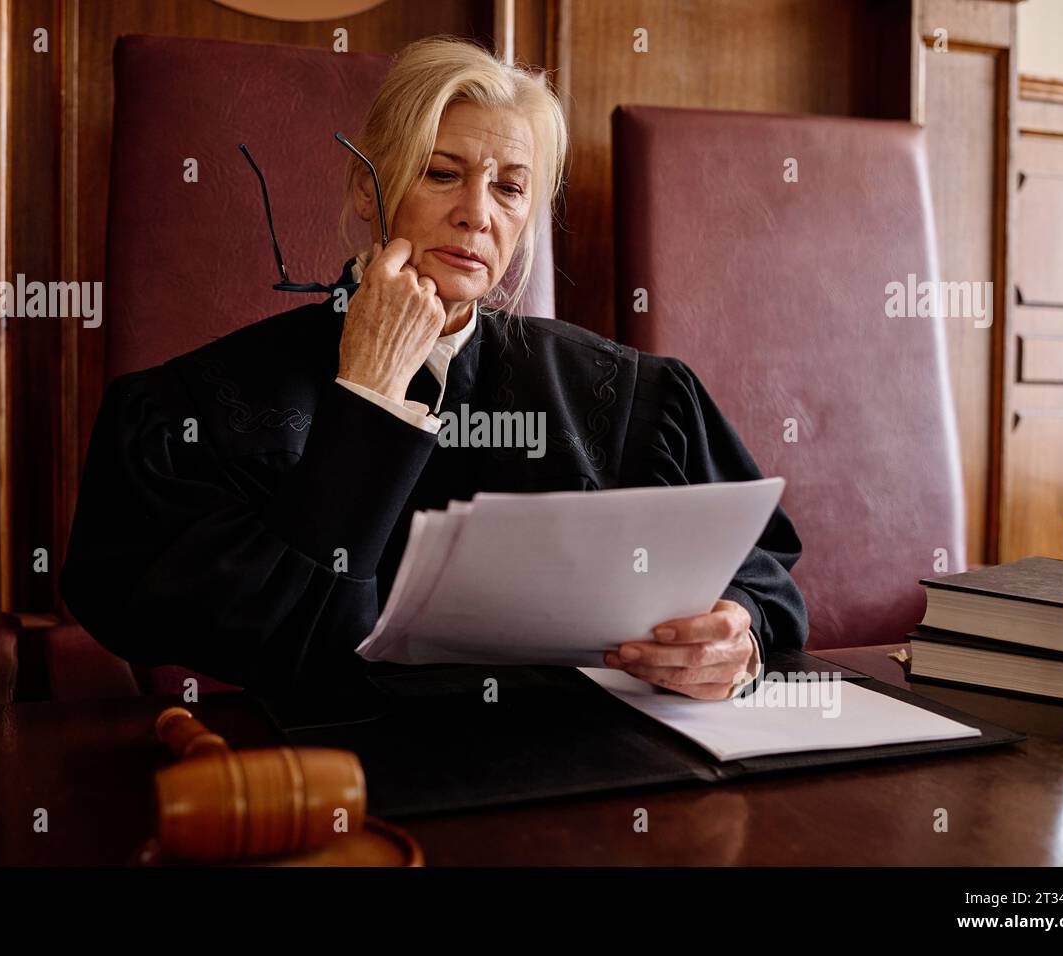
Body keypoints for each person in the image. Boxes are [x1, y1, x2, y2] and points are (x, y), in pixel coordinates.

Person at [60, 36, 808, 700]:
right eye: (443, 173)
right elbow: (270, 643)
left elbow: (763, 565)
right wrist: (368, 395)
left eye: (511, 188)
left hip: (589, 783)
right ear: (366, 187)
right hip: (323, 790)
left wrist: (735, 636)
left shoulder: (631, 396)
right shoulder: (199, 406)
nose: (478, 213)